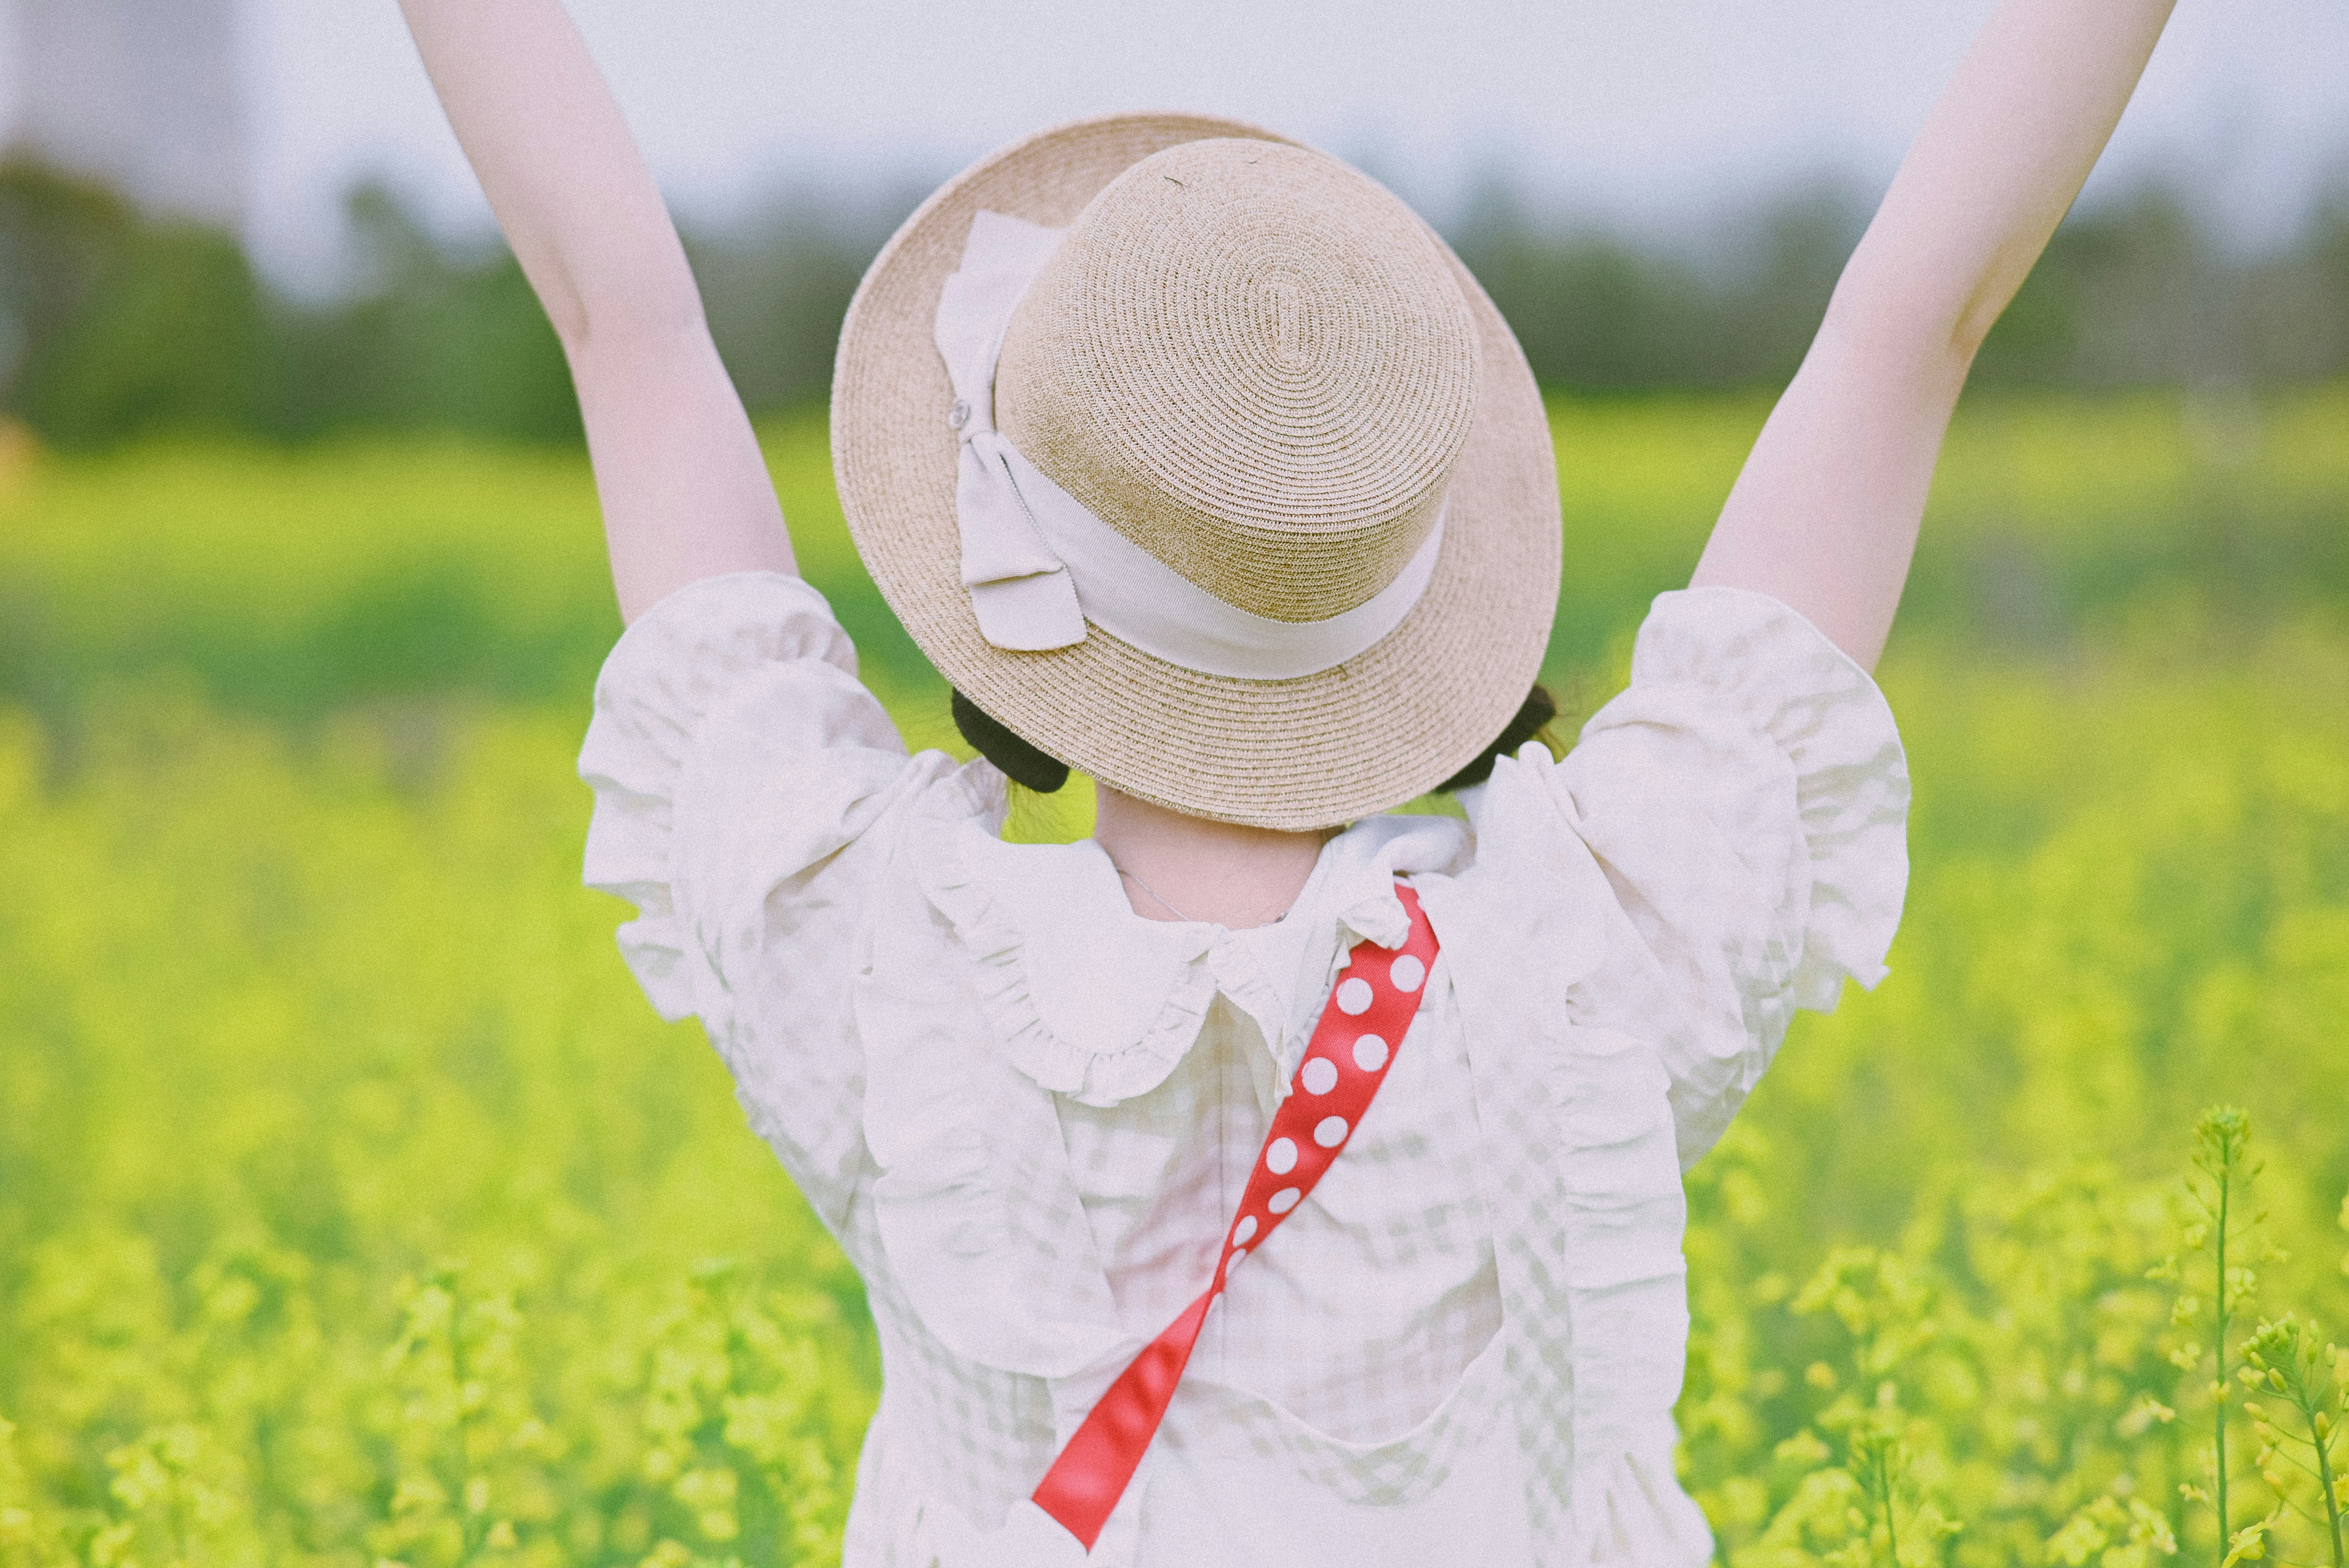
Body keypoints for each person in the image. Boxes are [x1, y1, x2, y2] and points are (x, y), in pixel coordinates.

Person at [395, 0, 2179, 1561]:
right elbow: (1907, 328)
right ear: (1405, 581)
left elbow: (624, 326)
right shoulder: (1582, 969)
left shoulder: (873, 972)